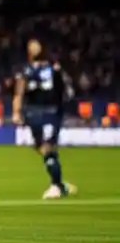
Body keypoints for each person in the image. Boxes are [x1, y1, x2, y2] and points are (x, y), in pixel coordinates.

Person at [12, 39, 78, 200]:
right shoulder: (28, 70)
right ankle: (60, 184)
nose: (34, 49)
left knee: (47, 148)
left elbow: (66, 90)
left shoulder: (51, 68)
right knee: (41, 147)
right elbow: (19, 93)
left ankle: (56, 186)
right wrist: (16, 112)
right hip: (36, 112)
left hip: (47, 112)